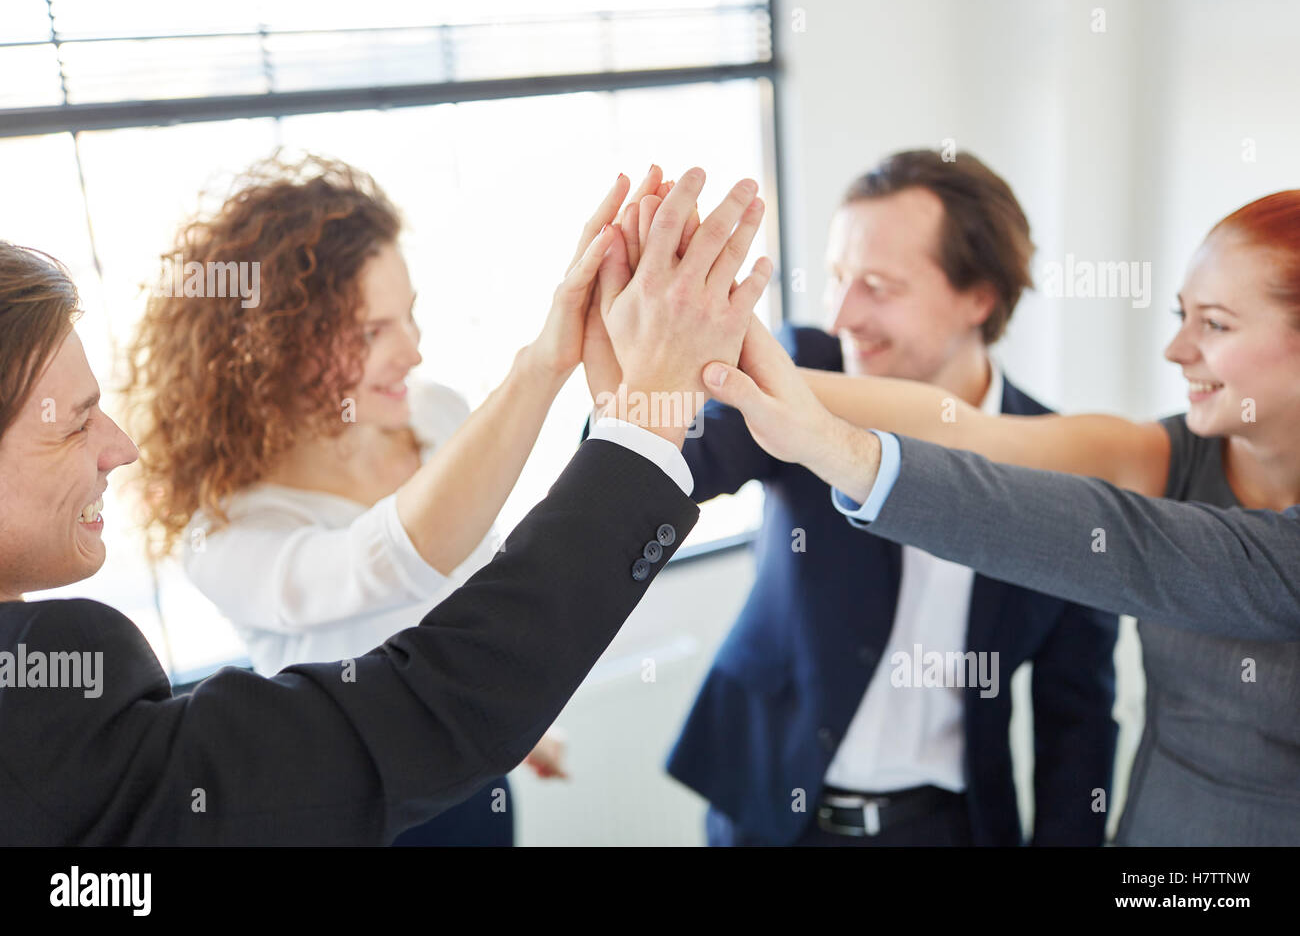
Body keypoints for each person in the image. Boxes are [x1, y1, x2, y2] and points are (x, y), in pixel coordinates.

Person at [0, 165, 773, 844]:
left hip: (471, 772)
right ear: (275, 342)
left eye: (412, 315)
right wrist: (571, 379)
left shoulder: (434, 411)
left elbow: (474, 582)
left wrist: (510, 714)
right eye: (374, 330)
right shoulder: (227, 533)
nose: (412, 350)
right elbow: (396, 560)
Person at [685, 189, 1300, 845]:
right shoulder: (1161, 453)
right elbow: (972, 435)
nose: (1176, 349)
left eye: (1216, 323)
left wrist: (822, 436)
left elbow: (1077, 706)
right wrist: (710, 369)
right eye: (1182, 315)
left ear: (978, 298)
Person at [590, 150, 1118, 846]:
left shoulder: (1062, 466)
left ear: (979, 297)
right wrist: (646, 351)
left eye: (877, 285)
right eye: (837, 278)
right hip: (768, 810)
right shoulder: (801, 367)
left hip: (945, 829)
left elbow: (1076, 714)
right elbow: (667, 462)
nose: (841, 315)